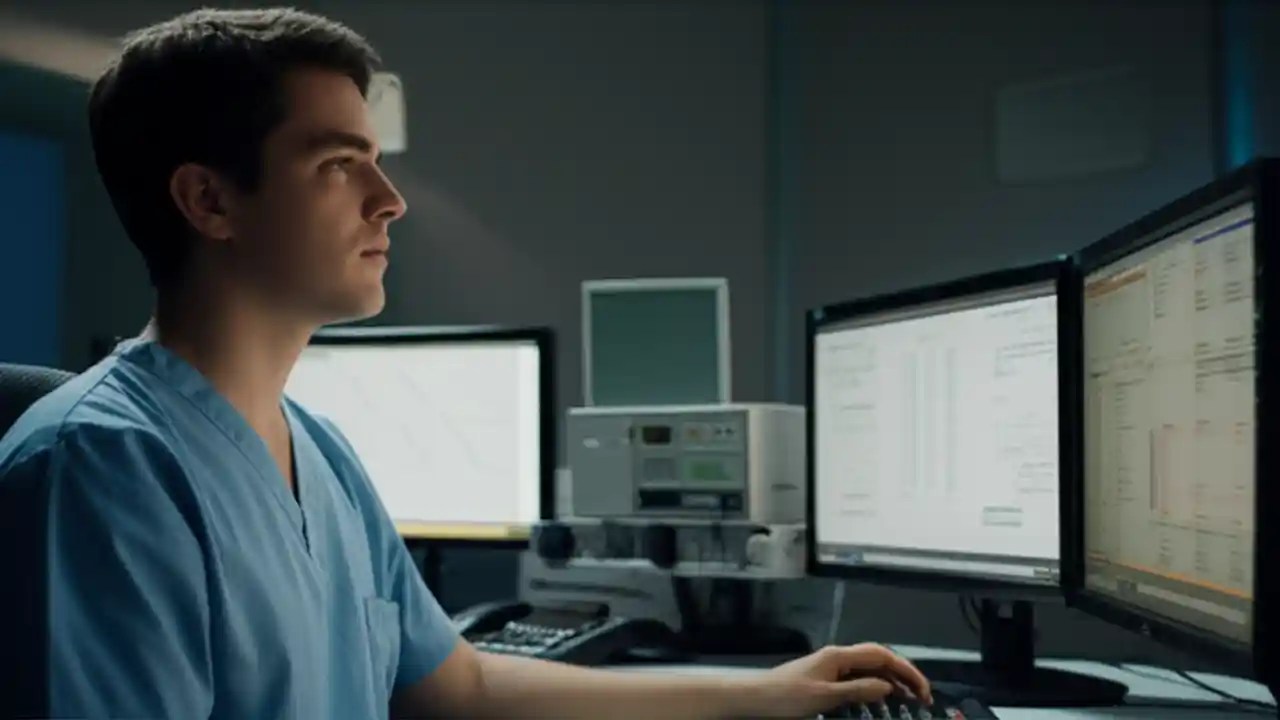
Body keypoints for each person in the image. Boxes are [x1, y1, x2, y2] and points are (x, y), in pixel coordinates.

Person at [0, 8, 931, 719]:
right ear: (208, 200)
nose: (391, 198)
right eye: (340, 163)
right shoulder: (100, 473)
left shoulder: (318, 453)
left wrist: (762, 695)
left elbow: (464, 684)